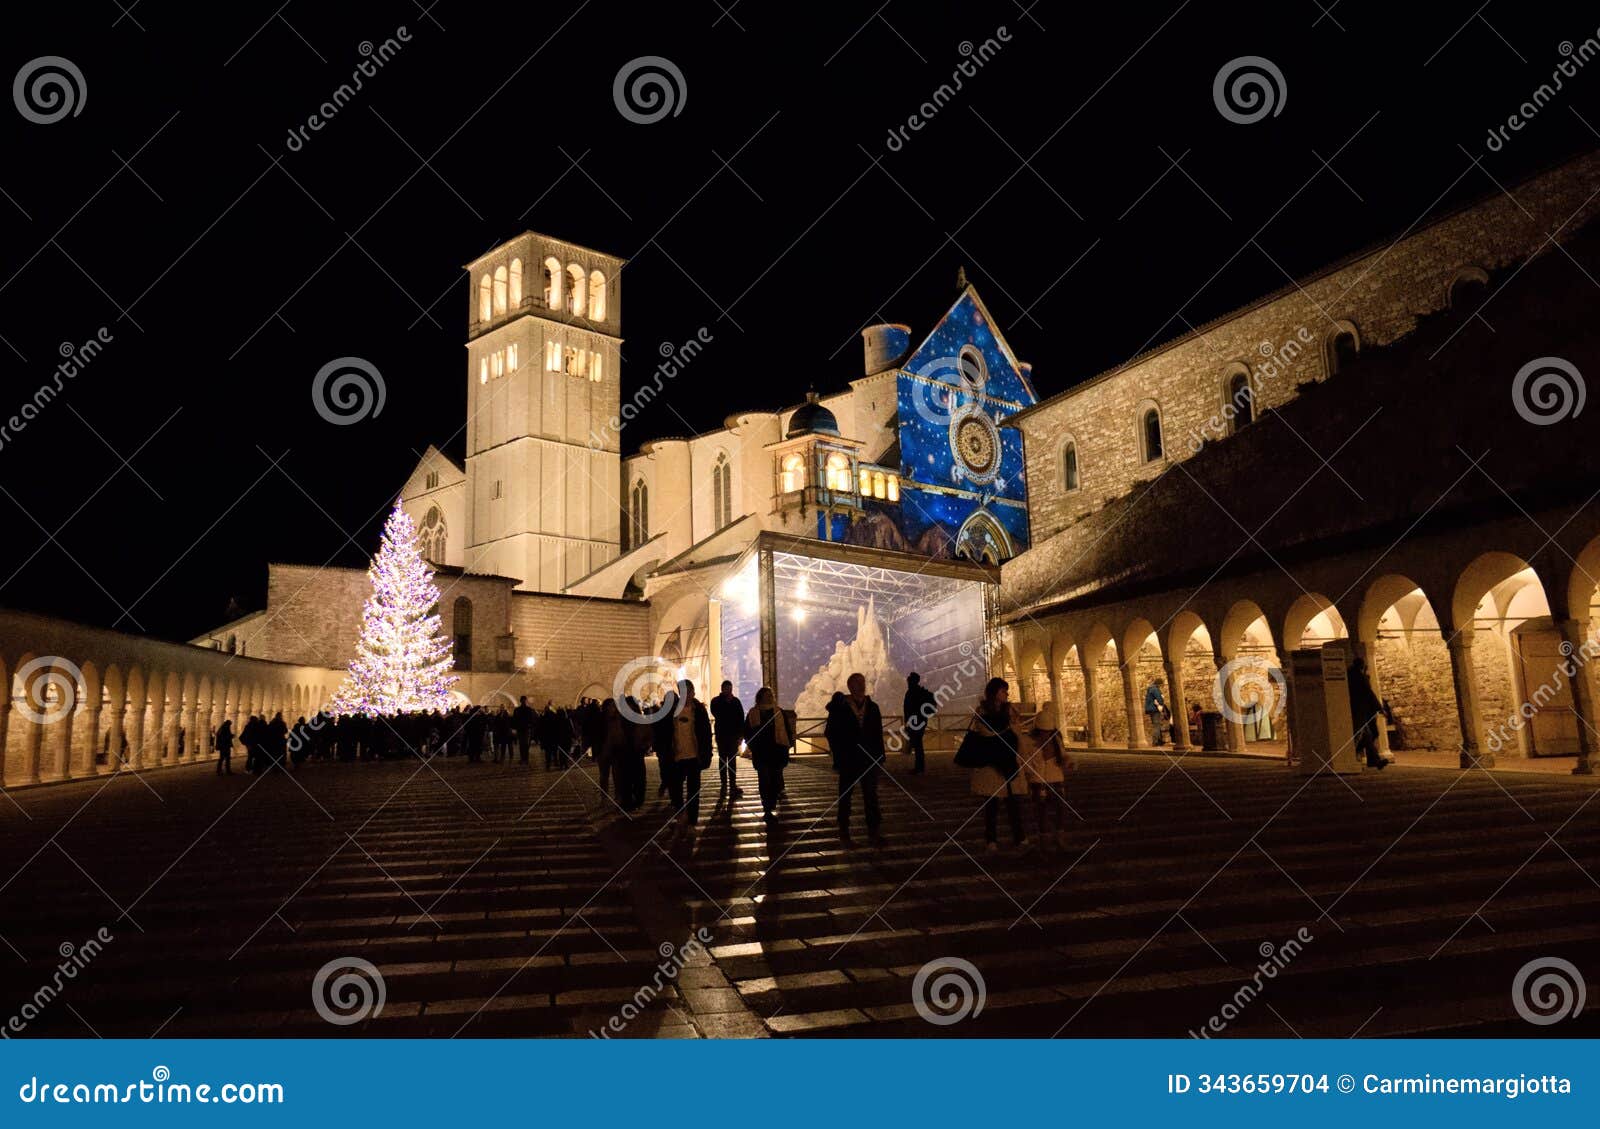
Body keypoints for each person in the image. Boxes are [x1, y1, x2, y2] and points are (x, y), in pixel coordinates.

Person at [825, 673, 887, 848]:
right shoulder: (840, 708)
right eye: (857, 683)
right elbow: (831, 732)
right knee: (845, 796)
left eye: (862, 682)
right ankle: (844, 830)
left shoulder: (873, 707)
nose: (861, 686)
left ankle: (874, 831)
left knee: (871, 796)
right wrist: (839, 755)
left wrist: (880, 757)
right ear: (850, 686)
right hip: (849, 759)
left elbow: (877, 734)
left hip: (869, 760)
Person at [968, 678, 1029, 852]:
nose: (1006, 694)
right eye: (1003, 691)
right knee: (992, 804)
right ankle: (991, 840)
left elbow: (1018, 736)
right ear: (994, 692)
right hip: (991, 764)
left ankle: (1019, 836)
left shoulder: (1010, 711)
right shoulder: (982, 712)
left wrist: (1023, 759)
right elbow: (984, 733)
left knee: (1013, 804)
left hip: (1009, 762)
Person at [657, 680, 712, 847]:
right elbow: (664, 733)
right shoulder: (671, 711)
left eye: (689, 691)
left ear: (693, 692)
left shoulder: (700, 711)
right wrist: (665, 752)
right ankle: (681, 815)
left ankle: (691, 822)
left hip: (694, 756)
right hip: (677, 756)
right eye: (684, 692)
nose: (687, 695)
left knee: (694, 791)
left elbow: (706, 735)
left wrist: (706, 754)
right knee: (676, 790)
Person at [1020, 702, 1071, 850]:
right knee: (1041, 811)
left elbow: (1064, 755)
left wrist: (1068, 762)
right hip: (1038, 781)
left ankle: (1059, 837)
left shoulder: (1056, 739)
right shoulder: (1028, 742)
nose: (1046, 735)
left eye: (1048, 732)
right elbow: (1023, 762)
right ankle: (1044, 839)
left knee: (1060, 809)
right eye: (1043, 732)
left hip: (1056, 779)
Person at [744, 687, 792, 821]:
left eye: (771, 695)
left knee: (775, 779)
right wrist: (753, 745)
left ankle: (771, 803)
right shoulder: (753, 713)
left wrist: (787, 745)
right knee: (764, 780)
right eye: (767, 695)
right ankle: (767, 807)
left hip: (777, 751)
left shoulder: (779, 711)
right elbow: (747, 731)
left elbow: (787, 730)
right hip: (761, 752)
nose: (770, 697)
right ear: (760, 697)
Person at [1348, 656, 1387, 769]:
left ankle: (1374, 760)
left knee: (1367, 735)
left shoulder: (1350, 675)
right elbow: (1369, 693)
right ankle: (1352, 756)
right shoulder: (1359, 677)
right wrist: (1380, 708)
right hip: (1360, 710)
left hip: (1357, 710)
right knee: (1362, 735)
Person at [710, 681, 746, 798]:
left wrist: (741, 735)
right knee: (722, 760)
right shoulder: (716, 701)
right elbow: (716, 713)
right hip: (722, 735)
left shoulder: (736, 701)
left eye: (730, 689)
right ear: (722, 689)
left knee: (732, 761)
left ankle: (732, 784)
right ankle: (724, 784)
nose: (729, 691)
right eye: (727, 689)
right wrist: (726, 703)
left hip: (733, 736)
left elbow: (741, 718)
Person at [903, 672, 936, 775]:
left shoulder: (911, 692)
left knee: (917, 745)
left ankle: (919, 768)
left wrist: (907, 722)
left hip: (914, 722)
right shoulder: (922, 693)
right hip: (921, 721)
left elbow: (907, 708)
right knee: (918, 745)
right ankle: (919, 767)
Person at [1143, 679, 1168, 746]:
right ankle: (1155, 741)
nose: (1162, 686)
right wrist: (1162, 702)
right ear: (1159, 684)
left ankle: (1159, 740)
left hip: (1150, 709)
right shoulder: (1155, 689)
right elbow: (1159, 699)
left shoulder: (1150, 689)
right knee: (1156, 725)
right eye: (1161, 685)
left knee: (1156, 724)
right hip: (1154, 709)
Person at [514, 696, 535, 765]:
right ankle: (524, 759)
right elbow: (532, 720)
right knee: (524, 745)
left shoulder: (518, 710)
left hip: (524, 729)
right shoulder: (528, 709)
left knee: (524, 745)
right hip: (524, 729)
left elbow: (515, 720)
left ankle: (524, 759)